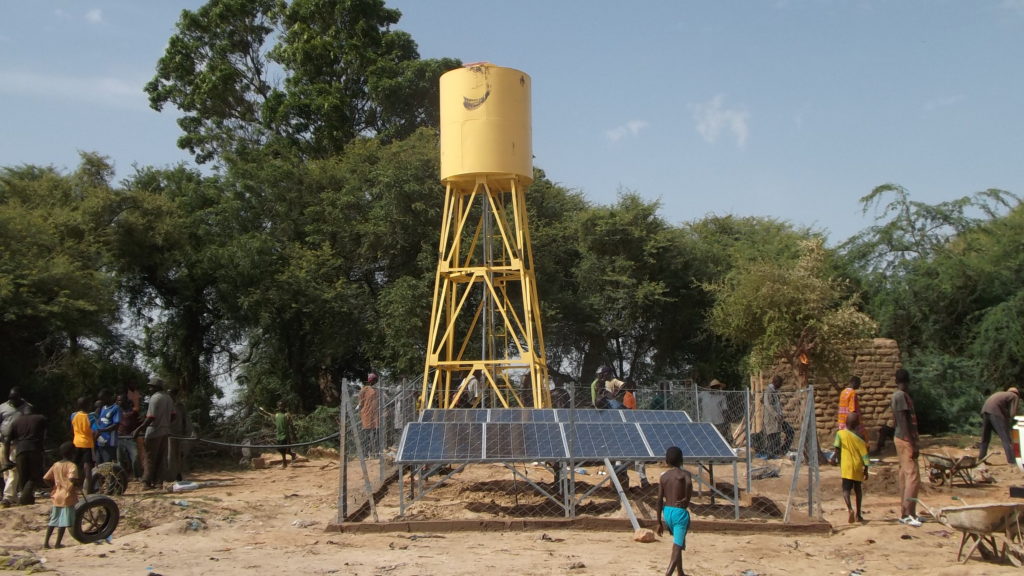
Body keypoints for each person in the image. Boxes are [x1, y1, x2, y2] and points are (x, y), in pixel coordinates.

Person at [891, 368, 923, 527]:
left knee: (905, 475)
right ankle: (907, 514)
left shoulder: (900, 396)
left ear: (896, 380)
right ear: (908, 381)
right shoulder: (900, 396)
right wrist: (912, 443)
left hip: (902, 438)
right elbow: (903, 421)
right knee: (913, 476)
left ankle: (909, 512)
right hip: (905, 439)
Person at [656, 446, 693, 576]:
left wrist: (659, 522)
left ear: (667, 461)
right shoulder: (685, 474)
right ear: (682, 460)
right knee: (677, 547)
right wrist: (686, 498)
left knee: (678, 540)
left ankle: (680, 572)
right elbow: (689, 483)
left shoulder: (664, 477)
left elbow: (659, 499)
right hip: (679, 513)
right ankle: (668, 574)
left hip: (667, 512)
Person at [134, 377, 175, 490]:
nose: (149, 389)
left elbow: (150, 417)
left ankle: (146, 482)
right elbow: (173, 416)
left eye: (151, 387)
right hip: (165, 432)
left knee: (149, 457)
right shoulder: (168, 398)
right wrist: (165, 423)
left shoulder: (155, 398)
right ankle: (158, 482)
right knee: (161, 458)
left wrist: (139, 429)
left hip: (153, 432)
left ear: (157, 387)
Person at [831, 412, 870, 524]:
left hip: (846, 466)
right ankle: (858, 515)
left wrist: (835, 459)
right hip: (857, 466)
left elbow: (837, 449)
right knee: (858, 490)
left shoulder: (840, 434)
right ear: (858, 424)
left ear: (846, 423)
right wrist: (866, 470)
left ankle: (850, 509)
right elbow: (865, 455)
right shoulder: (861, 437)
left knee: (846, 490)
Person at [43, 441, 81, 549]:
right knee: (63, 521)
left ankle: (46, 543)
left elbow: (46, 478)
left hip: (57, 494)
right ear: (73, 453)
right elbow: (72, 478)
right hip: (67, 495)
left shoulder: (56, 464)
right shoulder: (72, 465)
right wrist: (77, 484)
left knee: (53, 519)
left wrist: (53, 487)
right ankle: (57, 543)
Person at [9, 404, 46, 505]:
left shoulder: (16, 421)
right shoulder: (40, 418)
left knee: (23, 476)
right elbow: (43, 434)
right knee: (34, 476)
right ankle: (25, 498)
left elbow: (8, 440)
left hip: (20, 450)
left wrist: (7, 459)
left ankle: (27, 498)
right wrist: (42, 447)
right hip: (34, 449)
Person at [1, 387, 32, 507]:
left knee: (14, 469)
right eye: (11, 398)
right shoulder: (2, 407)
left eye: (15, 398)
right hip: (3, 442)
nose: (12, 400)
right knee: (6, 470)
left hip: (17, 442)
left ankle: (7, 497)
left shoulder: (27, 407)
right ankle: (12, 495)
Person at [978, 386, 1021, 466]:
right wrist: (1010, 422)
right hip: (995, 413)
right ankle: (1012, 461)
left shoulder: (1001, 394)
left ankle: (981, 459)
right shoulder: (1014, 396)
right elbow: (1012, 413)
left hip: (985, 411)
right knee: (1006, 438)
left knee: (985, 438)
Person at [762, 375, 794, 458]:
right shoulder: (768, 391)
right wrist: (776, 415)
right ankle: (772, 456)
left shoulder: (775, 391)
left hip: (778, 419)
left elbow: (777, 405)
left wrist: (780, 414)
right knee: (772, 437)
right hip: (771, 419)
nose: (781, 385)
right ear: (776, 382)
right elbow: (767, 404)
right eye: (780, 383)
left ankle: (781, 451)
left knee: (789, 432)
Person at [69, 396, 96, 494]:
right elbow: (95, 431)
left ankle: (70, 487)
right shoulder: (91, 417)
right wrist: (94, 440)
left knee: (74, 465)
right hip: (87, 443)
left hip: (76, 442)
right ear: (87, 405)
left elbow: (72, 428)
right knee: (87, 466)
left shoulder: (73, 415)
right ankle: (89, 489)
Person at [260, 401, 297, 468]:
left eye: (282, 405)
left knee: (283, 449)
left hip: (285, 435)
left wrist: (294, 434)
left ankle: (284, 463)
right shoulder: (277, 415)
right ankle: (292, 455)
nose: (281, 407)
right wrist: (263, 411)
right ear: (278, 406)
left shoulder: (287, 415)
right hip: (279, 435)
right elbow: (269, 415)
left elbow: (291, 425)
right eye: (280, 406)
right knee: (280, 449)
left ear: (284, 406)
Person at [117, 396, 143, 480]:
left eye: (121, 400)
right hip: (119, 437)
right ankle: (122, 477)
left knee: (135, 457)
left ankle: (137, 475)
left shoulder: (133, 412)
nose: (119, 402)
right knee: (120, 459)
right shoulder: (117, 411)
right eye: (118, 400)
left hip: (130, 438)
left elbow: (139, 423)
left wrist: (136, 431)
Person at [95, 390, 121, 465]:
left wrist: (103, 430)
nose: (102, 401)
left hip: (110, 441)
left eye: (103, 398)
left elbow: (116, 425)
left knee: (108, 463)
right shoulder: (103, 408)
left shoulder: (116, 408)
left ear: (108, 397)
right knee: (98, 463)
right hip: (100, 440)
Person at [359, 373, 380, 457]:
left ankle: (376, 453)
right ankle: (366, 453)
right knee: (367, 435)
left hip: (375, 415)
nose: (376, 382)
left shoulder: (377, 390)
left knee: (376, 435)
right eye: (375, 380)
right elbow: (361, 402)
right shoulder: (364, 390)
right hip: (367, 415)